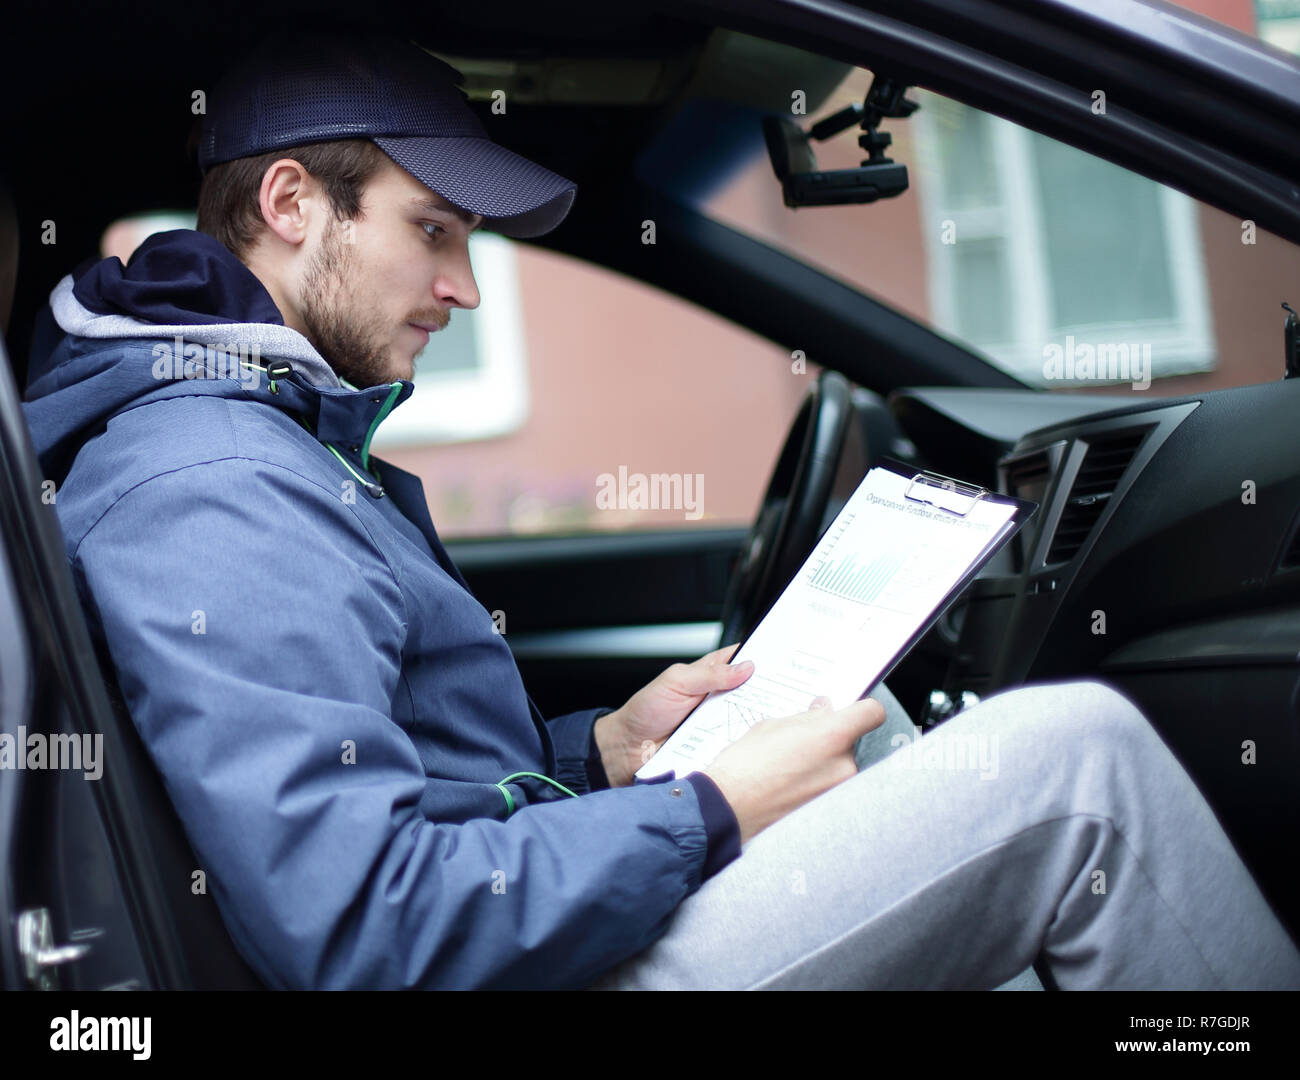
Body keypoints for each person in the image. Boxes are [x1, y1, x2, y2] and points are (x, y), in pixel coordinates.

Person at [20, 31, 1300, 991]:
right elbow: (367, 925)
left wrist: (605, 758)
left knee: (899, 750)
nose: (464, 286)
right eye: (434, 230)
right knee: (1077, 762)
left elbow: (415, 786)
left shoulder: (262, 443)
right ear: (293, 205)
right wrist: (709, 810)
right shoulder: (217, 491)